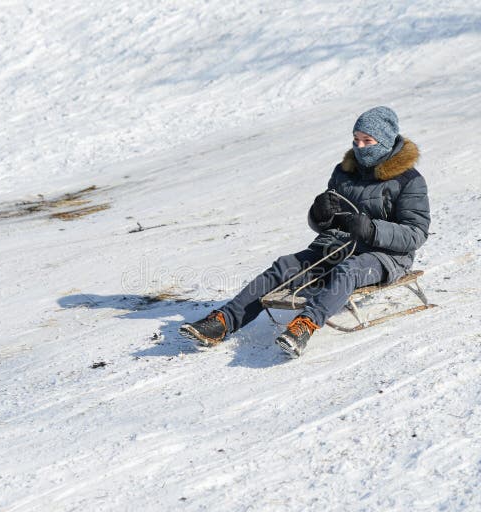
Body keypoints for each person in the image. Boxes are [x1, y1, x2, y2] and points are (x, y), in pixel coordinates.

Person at [180, 106, 430, 357]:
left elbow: (416, 233)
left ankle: (304, 325)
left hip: (385, 256)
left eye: (368, 141)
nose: (361, 147)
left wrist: (373, 230)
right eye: (356, 140)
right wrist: (320, 215)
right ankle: (223, 321)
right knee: (284, 266)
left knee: (349, 271)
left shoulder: (408, 180)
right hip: (339, 246)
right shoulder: (345, 171)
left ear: (385, 142)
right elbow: (329, 223)